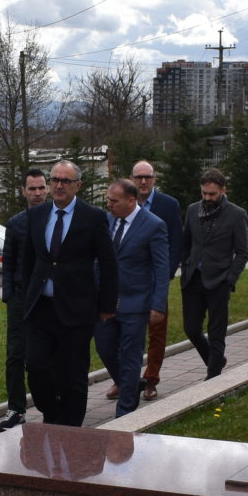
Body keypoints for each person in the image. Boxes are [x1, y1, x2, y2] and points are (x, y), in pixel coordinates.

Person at [15, 161, 117, 426]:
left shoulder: (93, 217)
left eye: (65, 181)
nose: (58, 185)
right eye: (55, 180)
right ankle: (51, 412)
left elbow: (108, 264)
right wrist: (27, 296)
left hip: (77, 310)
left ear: (77, 186)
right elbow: (29, 260)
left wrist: (107, 305)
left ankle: (71, 429)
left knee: (73, 374)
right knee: (36, 367)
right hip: (41, 308)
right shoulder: (37, 215)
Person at [93, 179, 169, 418]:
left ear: (131, 201)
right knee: (104, 348)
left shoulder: (153, 225)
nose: (109, 205)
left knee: (130, 355)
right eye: (108, 200)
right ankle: (131, 384)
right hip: (105, 302)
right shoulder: (107, 221)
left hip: (136, 303)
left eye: (114, 201)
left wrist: (158, 304)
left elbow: (161, 267)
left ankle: (124, 413)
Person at [179, 167, 248, 378]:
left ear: (223, 190)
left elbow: (242, 253)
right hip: (193, 279)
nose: (208, 198)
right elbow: (186, 242)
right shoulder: (192, 210)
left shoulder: (236, 214)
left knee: (217, 332)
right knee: (191, 329)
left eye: (213, 194)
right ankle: (215, 359)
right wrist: (185, 265)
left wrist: (230, 279)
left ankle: (213, 376)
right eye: (204, 193)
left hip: (219, 280)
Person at [0, 165, 49, 431]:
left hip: (50, 299)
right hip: (19, 298)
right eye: (32, 189)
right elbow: (8, 262)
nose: (37, 193)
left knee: (47, 354)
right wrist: (9, 296)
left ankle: (51, 402)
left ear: (48, 189)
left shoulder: (57, 219)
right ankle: (16, 408)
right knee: (15, 355)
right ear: (23, 191)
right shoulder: (16, 223)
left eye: (41, 188)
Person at [128, 160, 184, 400]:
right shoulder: (125, 202)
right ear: (131, 179)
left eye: (147, 177)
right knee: (128, 332)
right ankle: (126, 380)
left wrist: (167, 274)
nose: (143, 181)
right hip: (130, 279)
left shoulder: (168, 205)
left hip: (157, 278)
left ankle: (151, 379)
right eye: (139, 177)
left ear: (154, 179)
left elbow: (176, 242)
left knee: (157, 330)